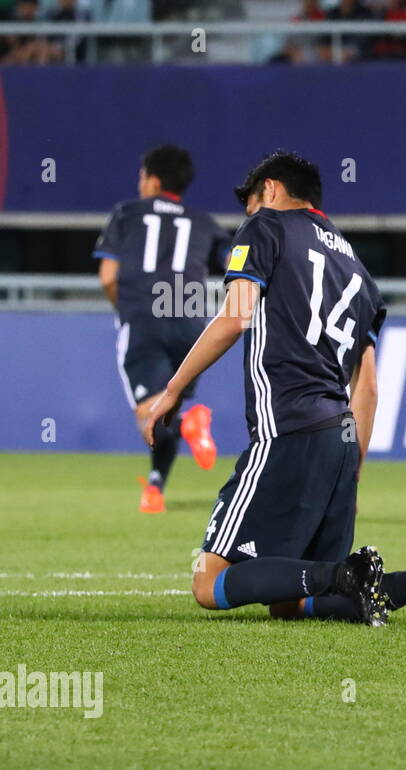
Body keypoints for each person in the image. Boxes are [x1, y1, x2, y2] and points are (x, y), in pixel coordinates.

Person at [139, 152, 406, 626]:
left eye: (252, 202)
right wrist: (353, 472)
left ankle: (346, 573)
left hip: (289, 429)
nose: (249, 215)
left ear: (273, 190)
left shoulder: (266, 228)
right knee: (291, 602)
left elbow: (236, 315)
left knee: (208, 581)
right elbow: (370, 389)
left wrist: (174, 388)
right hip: (339, 439)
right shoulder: (359, 272)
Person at [93, 145, 227, 513]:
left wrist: (129, 309)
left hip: (144, 319)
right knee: (166, 407)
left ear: (152, 180)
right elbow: (235, 269)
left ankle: (188, 424)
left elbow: (107, 277)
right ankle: (155, 488)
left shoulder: (127, 213)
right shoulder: (206, 223)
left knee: (151, 413)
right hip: (190, 323)